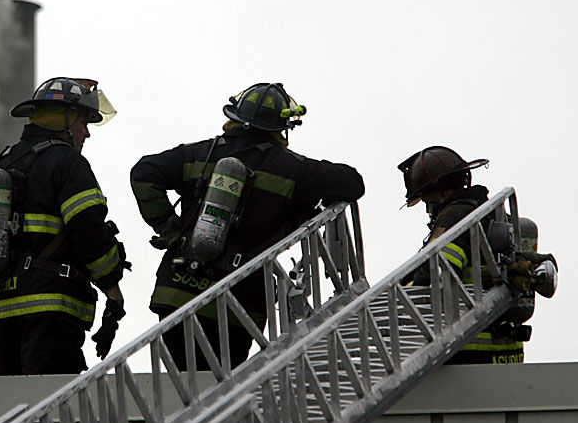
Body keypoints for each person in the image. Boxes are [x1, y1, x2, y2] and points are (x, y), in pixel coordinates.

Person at [130, 82, 365, 370]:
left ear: (236, 115)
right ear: (283, 126)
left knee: (185, 388)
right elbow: (353, 183)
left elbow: (143, 173)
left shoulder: (199, 153)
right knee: (222, 388)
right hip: (239, 305)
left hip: (178, 292)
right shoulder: (296, 170)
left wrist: (170, 229)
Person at [0, 77, 128, 376]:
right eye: (83, 122)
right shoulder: (68, 163)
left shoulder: (2, 164)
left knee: (10, 411)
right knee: (52, 408)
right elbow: (88, 231)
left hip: (1, 311)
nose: (87, 133)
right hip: (52, 311)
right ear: (64, 120)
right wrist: (112, 286)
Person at [397, 145, 535, 364]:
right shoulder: (492, 213)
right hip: (507, 355)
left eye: (426, 201)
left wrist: (397, 296)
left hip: (466, 354)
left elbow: (432, 278)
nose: (427, 209)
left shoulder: (455, 219)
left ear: (441, 193)